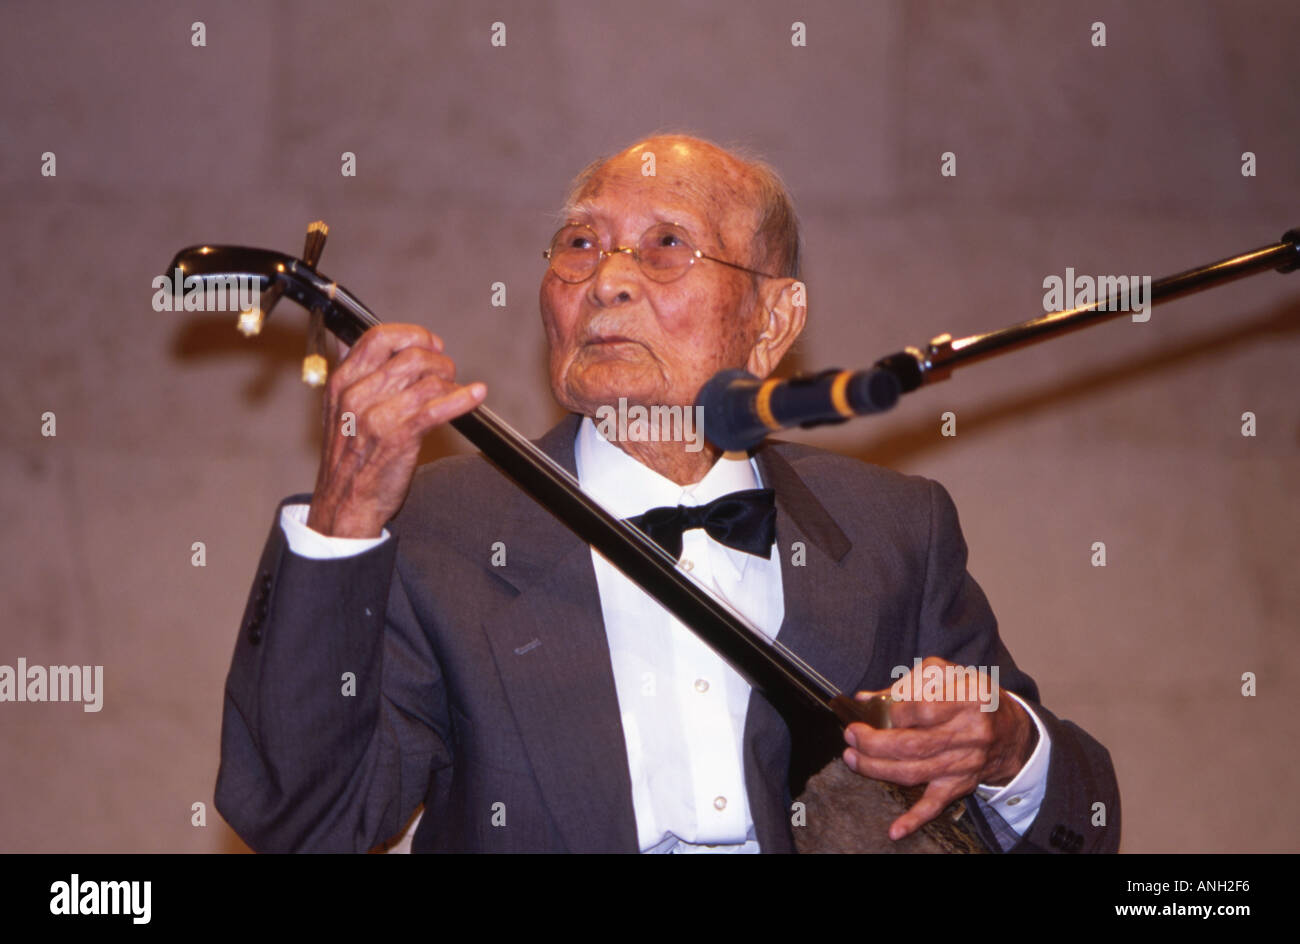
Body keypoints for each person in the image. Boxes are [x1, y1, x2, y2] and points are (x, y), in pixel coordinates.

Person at [215, 134, 1119, 853]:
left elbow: (1083, 828)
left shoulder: (895, 528)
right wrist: (341, 525)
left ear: (772, 322)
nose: (606, 279)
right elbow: (305, 826)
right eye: (580, 245)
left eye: (665, 248)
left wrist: (1004, 745)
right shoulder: (441, 531)